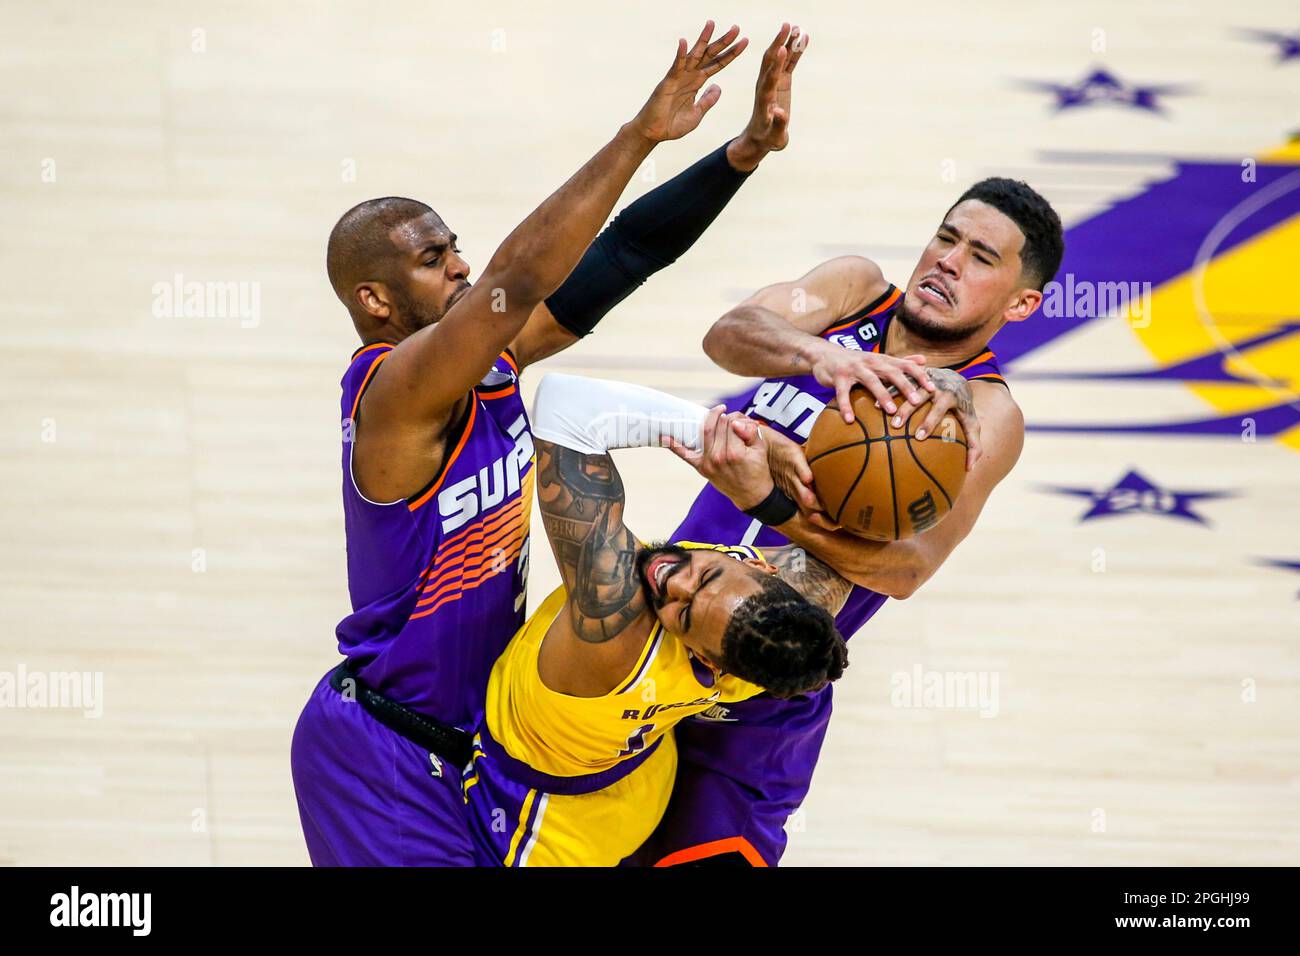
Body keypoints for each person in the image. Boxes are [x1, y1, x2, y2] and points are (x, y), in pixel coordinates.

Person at [291, 21, 807, 867]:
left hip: (473, 746)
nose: (458, 266)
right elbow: (514, 281)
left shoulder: (492, 361)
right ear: (377, 301)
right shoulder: (393, 396)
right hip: (381, 752)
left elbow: (626, 254)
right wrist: (638, 134)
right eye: (433, 259)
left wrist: (741, 154)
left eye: (456, 248)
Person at [630, 176, 1065, 866]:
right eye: (946, 238)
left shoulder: (984, 413)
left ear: (1022, 303)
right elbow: (729, 334)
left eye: (982, 257)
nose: (948, 261)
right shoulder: (854, 289)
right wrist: (824, 355)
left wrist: (768, 503)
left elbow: (907, 566)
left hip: (755, 701)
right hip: (650, 639)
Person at [461, 374, 850, 866]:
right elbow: (839, 567)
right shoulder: (747, 656)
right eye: (706, 576)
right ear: (759, 564)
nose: (671, 581)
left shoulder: (616, 615)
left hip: (545, 828)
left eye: (682, 614)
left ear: (704, 655)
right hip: (641, 783)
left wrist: (736, 438)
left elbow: (564, 406)